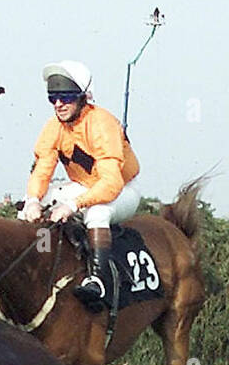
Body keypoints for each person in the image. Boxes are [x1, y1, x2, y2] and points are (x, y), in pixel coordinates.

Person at [19, 60, 142, 312]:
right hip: (83, 186)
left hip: (121, 190)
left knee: (97, 212)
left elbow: (111, 183)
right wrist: (32, 200)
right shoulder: (53, 127)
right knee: (29, 208)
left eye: (65, 97)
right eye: (52, 98)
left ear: (83, 97)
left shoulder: (102, 123)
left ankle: (97, 280)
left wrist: (73, 205)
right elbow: (43, 170)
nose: (58, 105)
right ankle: (36, 267)